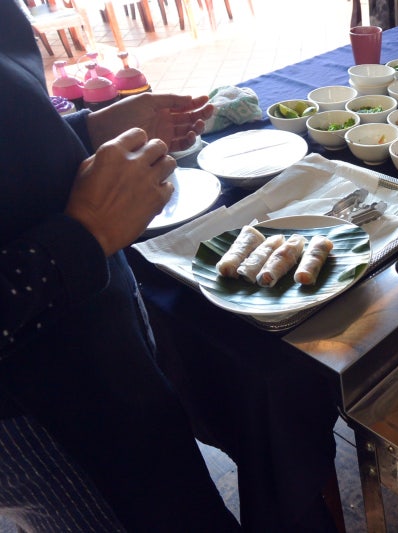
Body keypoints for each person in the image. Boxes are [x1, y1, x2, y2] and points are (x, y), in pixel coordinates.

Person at [0, 1, 242, 530]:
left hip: (100, 326)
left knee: (183, 505)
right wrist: (81, 236)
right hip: (33, 400)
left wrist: (85, 132)